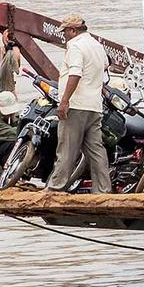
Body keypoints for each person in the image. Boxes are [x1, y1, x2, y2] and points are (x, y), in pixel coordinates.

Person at [47, 14, 111, 193]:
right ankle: (103, 190)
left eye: (65, 32)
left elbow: (75, 73)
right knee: (96, 150)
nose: (64, 36)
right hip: (94, 106)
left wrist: (64, 101)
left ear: (72, 30)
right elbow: (105, 66)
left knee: (66, 149)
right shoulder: (97, 46)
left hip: (76, 105)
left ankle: (56, 187)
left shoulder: (75, 46)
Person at [0, 29, 21, 95]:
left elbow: (2, 63)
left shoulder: (2, 49)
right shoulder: (16, 50)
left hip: (3, 80)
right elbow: (18, 66)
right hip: (10, 82)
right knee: (12, 92)